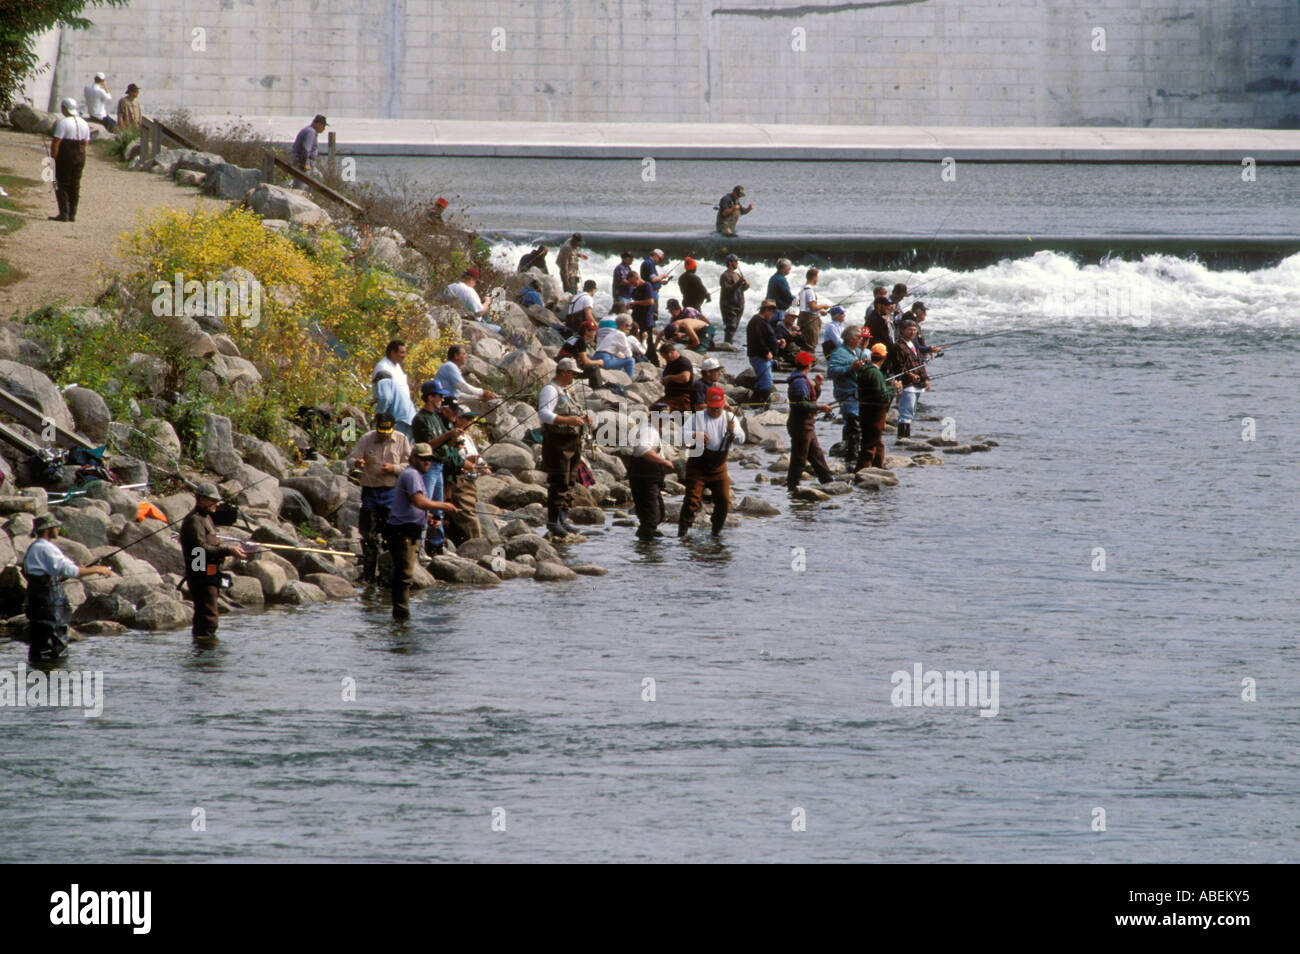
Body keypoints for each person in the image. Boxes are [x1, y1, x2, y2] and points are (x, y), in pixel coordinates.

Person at [22, 513, 113, 664]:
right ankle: (53, 675)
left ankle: (41, 672)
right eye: (55, 526)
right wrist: (98, 569)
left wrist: (80, 569)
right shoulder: (45, 548)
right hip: (48, 601)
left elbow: (45, 573)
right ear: (47, 530)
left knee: (42, 641)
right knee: (54, 642)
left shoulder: (35, 547)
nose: (58, 529)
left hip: (39, 598)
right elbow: (71, 571)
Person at [384, 445, 457, 620]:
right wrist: (444, 506)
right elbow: (419, 502)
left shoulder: (416, 476)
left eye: (430, 459)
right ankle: (401, 618)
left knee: (404, 576)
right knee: (404, 577)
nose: (427, 462)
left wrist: (429, 518)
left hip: (409, 532)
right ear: (413, 458)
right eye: (424, 459)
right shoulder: (411, 475)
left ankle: (400, 616)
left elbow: (414, 506)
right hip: (402, 534)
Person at [348, 412, 412, 580]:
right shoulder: (367, 438)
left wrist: (395, 468)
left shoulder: (402, 439)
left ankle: (388, 573)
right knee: (368, 534)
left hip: (392, 492)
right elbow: (350, 459)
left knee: (391, 534)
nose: (384, 435)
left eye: (387, 432)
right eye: (381, 431)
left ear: (394, 428)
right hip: (370, 491)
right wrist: (357, 462)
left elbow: (411, 465)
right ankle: (368, 573)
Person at [180, 482, 248, 640]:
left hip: (210, 568)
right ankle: (205, 648)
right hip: (199, 572)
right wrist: (227, 550)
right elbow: (199, 549)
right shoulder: (194, 520)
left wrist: (222, 553)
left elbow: (212, 545)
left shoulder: (206, 518)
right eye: (213, 500)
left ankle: (205, 645)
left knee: (210, 606)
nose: (217, 504)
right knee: (207, 612)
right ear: (201, 499)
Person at [678, 387, 745, 537]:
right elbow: (681, 435)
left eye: (718, 407)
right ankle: (682, 534)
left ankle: (715, 533)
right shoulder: (697, 417)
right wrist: (695, 435)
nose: (716, 410)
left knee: (724, 502)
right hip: (697, 468)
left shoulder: (730, 418)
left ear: (723, 404)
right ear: (707, 404)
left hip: (719, 469)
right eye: (712, 408)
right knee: (691, 502)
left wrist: (733, 431)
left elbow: (742, 439)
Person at [538, 358, 593, 538]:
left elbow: (573, 410)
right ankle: (553, 522)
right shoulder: (550, 390)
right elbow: (544, 414)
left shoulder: (568, 390)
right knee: (559, 480)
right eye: (573, 373)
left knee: (570, 480)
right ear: (563, 372)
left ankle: (563, 518)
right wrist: (568, 420)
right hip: (556, 442)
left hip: (573, 440)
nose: (575, 376)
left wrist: (585, 418)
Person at [411, 382, 464, 557]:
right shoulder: (420, 419)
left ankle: (437, 545)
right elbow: (427, 446)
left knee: (438, 509)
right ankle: (418, 547)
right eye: (439, 396)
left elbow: (443, 443)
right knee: (424, 506)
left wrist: (454, 438)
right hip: (428, 466)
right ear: (430, 397)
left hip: (439, 466)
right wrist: (448, 435)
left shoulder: (436, 417)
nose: (442, 399)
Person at [785, 352, 835, 491]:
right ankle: (792, 486)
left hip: (806, 425)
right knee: (799, 458)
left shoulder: (801, 380)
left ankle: (828, 482)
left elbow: (808, 400)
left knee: (816, 455)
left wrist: (817, 387)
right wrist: (820, 407)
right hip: (801, 425)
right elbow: (801, 405)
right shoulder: (800, 382)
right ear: (808, 365)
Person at [446, 408, 490, 545]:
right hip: (459, 481)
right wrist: (467, 462)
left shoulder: (467, 438)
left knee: (463, 515)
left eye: (472, 419)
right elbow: (454, 459)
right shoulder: (450, 437)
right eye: (467, 418)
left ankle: (461, 544)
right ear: (456, 419)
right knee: (468, 516)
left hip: (471, 482)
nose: (471, 421)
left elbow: (477, 458)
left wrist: (483, 466)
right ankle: (477, 546)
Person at [626, 413, 674, 541]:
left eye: (665, 419)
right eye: (661, 419)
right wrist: (664, 462)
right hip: (643, 479)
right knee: (651, 518)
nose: (663, 422)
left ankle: (646, 538)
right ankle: (646, 549)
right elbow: (643, 449)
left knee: (659, 514)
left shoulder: (653, 429)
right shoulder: (648, 431)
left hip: (651, 479)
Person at [854, 343, 900, 472]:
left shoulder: (864, 370)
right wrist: (894, 388)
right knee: (869, 445)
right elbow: (883, 397)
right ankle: (860, 471)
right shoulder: (876, 373)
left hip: (864, 411)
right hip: (875, 414)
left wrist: (887, 386)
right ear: (884, 357)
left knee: (877, 442)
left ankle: (879, 468)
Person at [827, 326, 867, 463]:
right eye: (859, 337)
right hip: (846, 394)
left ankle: (849, 450)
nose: (861, 339)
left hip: (858, 393)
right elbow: (831, 371)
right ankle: (852, 456)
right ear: (851, 338)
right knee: (853, 425)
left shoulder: (856, 351)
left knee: (855, 424)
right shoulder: (839, 353)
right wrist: (850, 368)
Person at [49, 98, 90, 223]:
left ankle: (63, 213)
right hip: (80, 155)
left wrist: (53, 159)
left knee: (62, 184)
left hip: (66, 155)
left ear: (64, 108)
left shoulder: (63, 123)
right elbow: (86, 143)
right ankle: (72, 214)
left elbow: (56, 143)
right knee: (75, 185)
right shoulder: (84, 123)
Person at [892, 317, 930, 440]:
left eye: (914, 330)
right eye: (909, 330)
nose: (912, 332)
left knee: (911, 411)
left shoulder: (913, 344)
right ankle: (902, 440)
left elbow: (920, 363)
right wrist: (911, 375)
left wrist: (926, 379)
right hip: (906, 383)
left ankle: (905, 439)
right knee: (905, 412)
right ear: (902, 330)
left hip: (918, 384)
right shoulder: (898, 346)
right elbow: (898, 365)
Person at [373, 340, 416, 438]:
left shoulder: (397, 367)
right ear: (393, 353)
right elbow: (385, 398)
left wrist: (378, 415)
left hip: (402, 415)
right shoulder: (383, 368)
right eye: (402, 352)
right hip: (397, 416)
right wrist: (381, 415)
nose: (404, 355)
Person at [434, 344, 498, 409]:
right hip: (444, 404)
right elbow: (463, 387)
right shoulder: (450, 367)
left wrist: (478, 397)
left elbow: (458, 394)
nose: (466, 357)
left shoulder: (450, 367)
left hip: (446, 403)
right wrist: (483, 392)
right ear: (456, 356)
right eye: (464, 354)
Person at [745, 299, 782, 406]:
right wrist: (766, 352)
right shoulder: (756, 322)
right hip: (760, 357)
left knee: (761, 383)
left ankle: (753, 405)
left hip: (764, 358)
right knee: (766, 385)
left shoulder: (763, 322)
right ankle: (758, 407)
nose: (773, 315)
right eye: (772, 312)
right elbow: (757, 340)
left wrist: (778, 342)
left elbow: (767, 337)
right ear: (766, 310)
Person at [558, 319, 606, 390]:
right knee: (594, 368)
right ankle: (598, 390)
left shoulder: (575, 337)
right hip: (568, 368)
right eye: (593, 330)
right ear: (586, 331)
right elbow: (585, 361)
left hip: (563, 364)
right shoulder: (581, 340)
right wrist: (599, 362)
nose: (595, 333)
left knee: (591, 365)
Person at [797, 267, 831, 354]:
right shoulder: (809, 291)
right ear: (814, 277)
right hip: (810, 320)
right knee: (810, 344)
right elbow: (812, 307)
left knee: (803, 343)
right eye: (817, 277)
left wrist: (819, 312)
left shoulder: (802, 289)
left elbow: (801, 305)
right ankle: (808, 364)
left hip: (802, 317)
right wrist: (824, 306)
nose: (817, 279)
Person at [628, 273, 659, 366]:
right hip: (637, 318)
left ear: (637, 278)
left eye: (633, 282)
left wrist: (636, 302)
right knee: (638, 339)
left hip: (646, 319)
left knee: (648, 341)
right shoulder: (636, 289)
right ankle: (643, 358)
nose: (632, 285)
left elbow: (650, 301)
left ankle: (655, 362)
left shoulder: (647, 285)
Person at [718, 254, 749, 344]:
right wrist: (739, 282)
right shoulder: (725, 275)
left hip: (739, 305)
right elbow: (727, 290)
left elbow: (741, 289)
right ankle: (727, 345)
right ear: (730, 263)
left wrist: (746, 285)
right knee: (730, 327)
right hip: (729, 306)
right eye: (736, 261)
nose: (737, 263)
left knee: (734, 327)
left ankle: (729, 344)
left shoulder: (737, 274)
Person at [658, 341, 695, 413]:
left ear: (671, 353)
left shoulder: (683, 362)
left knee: (660, 409)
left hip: (682, 397)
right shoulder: (670, 363)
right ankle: (656, 423)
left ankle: (669, 422)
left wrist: (669, 378)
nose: (666, 360)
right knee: (654, 407)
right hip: (671, 396)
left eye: (666, 357)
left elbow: (685, 378)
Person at [291, 114, 327, 180]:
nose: (324, 129)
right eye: (323, 126)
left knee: (318, 177)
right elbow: (306, 149)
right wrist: (304, 165)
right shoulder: (311, 132)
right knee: (303, 181)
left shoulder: (308, 130)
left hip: (304, 161)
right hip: (304, 161)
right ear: (318, 124)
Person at [640, 249, 669, 329]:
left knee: (653, 314)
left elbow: (652, 279)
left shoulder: (649, 263)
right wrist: (662, 276)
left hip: (652, 291)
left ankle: (651, 328)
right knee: (652, 314)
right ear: (655, 255)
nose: (659, 261)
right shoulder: (649, 263)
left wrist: (661, 282)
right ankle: (650, 330)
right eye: (659, 259)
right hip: (651, 293)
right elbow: (653, 279)